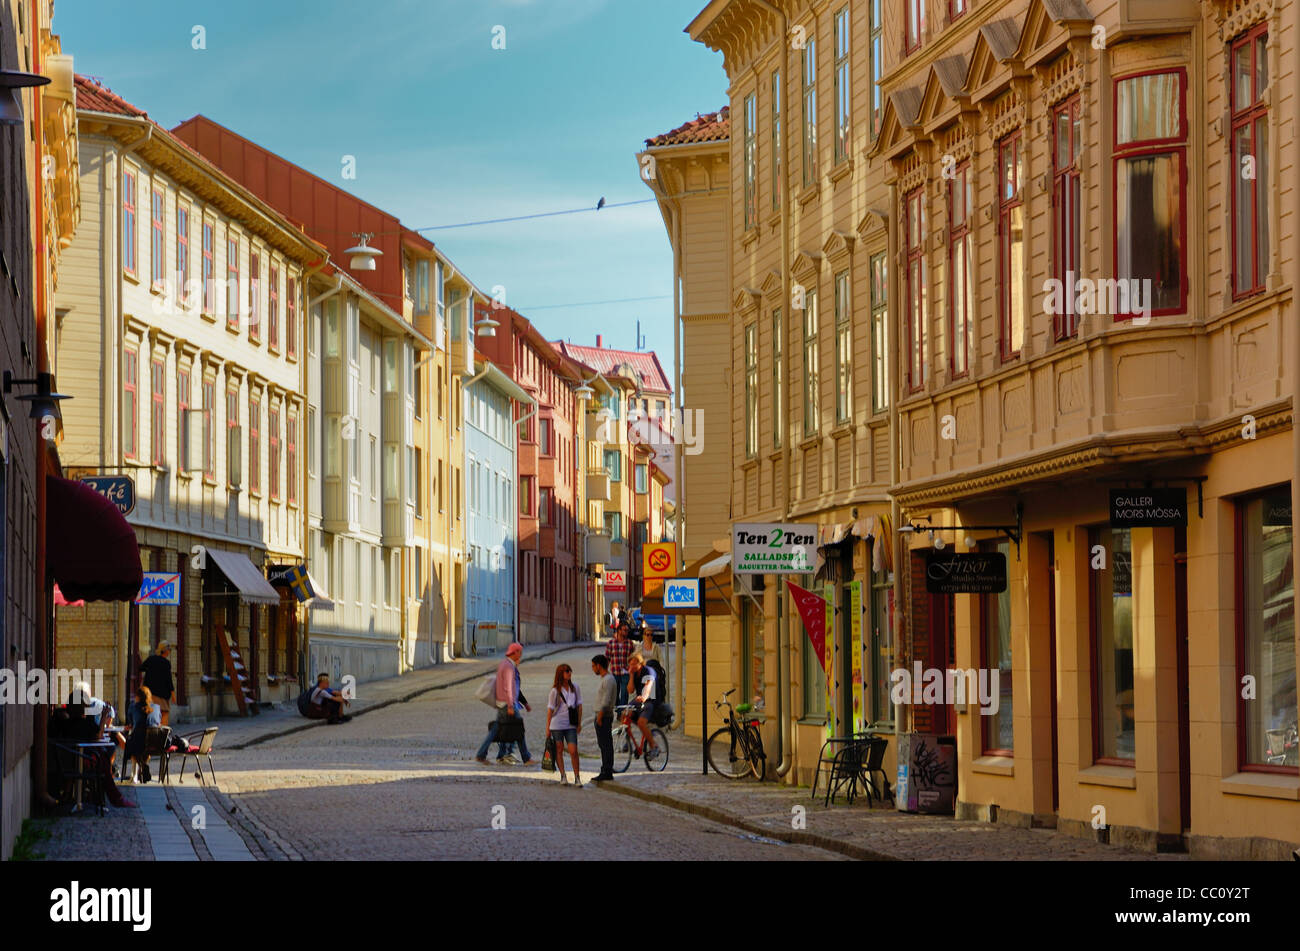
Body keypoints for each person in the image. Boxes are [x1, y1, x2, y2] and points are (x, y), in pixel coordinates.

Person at [49, 706, 136, 808]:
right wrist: (103, 718)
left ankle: (105, 797)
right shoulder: (83, 723)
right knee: (102, 758)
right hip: (78, 760)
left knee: (102, 756)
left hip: (64, 760)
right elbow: (98, 736)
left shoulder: (64, 723)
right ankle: (112, 797)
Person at [476, 642, 535, 766]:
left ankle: (482, 755)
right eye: (520, 652)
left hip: (502, 702)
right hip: (506, 703)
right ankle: (526, 758)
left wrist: (524, 702)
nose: (521, 655)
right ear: (515, 652)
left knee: (496, 730)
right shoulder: (508, 666)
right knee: (519, 729)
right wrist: (510, 705)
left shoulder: (504, 663)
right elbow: (508, 687)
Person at [545, 664, 584, 786]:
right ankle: (563, 775)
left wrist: (579, 722)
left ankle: (577, 777)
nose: (569, 673)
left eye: (570, 671)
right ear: (560, 674)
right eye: (567, 671)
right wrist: (547, 728)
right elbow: (550, 710)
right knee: (559, 749)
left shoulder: (575, 687)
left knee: (573, 751)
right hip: (557, 724)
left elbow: (579, 706)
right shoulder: (555, 691)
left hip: (571, 724)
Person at [123, 686, 162, 783]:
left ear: (137, 697)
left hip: (138, 743)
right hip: (155, 744)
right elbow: (158, 723)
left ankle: (135, 773)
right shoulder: (157, 707)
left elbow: (130, 724)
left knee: (131, 743)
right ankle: (144, 764)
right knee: (147, 740)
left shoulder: (133, 707)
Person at [627, 653, 661, 761]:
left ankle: (654, 746)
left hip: (651, 701)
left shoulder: (648, 671)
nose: (631, 666)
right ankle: (627, 740)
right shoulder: (634, 673)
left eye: (634, 664)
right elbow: (630, 690)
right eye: (630, 664)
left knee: (641, 723)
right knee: (625, 713)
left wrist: (644, 697)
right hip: (639, 699)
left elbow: (648, 686)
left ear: (641, 663)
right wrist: (631, 675)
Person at [590, 654, 616, 782]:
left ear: (599, 666)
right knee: (603, 744)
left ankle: (607, 770)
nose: (593, 669)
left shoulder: (608, 680)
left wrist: (599, 717)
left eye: (594, 666)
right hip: (602, 716)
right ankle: (605, 768)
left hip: (604, 716)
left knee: (605, 745)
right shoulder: (605, 679)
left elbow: (606, 702)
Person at [139, 641, 176, 726]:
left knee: (150, 717)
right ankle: (161, 736)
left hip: (150, 695)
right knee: (163, 717)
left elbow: (141, 668)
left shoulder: (151, 659)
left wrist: (150, 671)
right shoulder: (166, 663)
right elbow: (169, 680)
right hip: (162, 697)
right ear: (165, 650)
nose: (169, 651)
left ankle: (152, 735)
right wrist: (173, 695)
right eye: (169, 649)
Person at [607, 622, 633, 707]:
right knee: (615, 695)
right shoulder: (611, 643)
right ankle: (618, 709)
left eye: (627, 630)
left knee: (625, 695)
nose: (626, 632)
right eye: (624, 630)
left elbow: (633, 658)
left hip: (626, 673)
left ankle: (621, 714)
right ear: (619, 630)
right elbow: (607, 658)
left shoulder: (630, 643)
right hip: (615, 672)